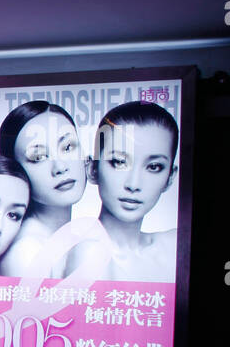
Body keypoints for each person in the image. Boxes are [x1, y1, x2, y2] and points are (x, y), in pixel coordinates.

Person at [66, 100, 180, 283]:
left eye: (154, 167)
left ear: (170, 177)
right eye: (119, 162)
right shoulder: (88, 253)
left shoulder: (175, 244)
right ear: (93, 169)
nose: (134, 184)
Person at [0, 102, 84, 278]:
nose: (60, 167)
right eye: (38, 157)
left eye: (68, 147)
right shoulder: (27, 252)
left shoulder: (77, 237)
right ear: (17, 171)